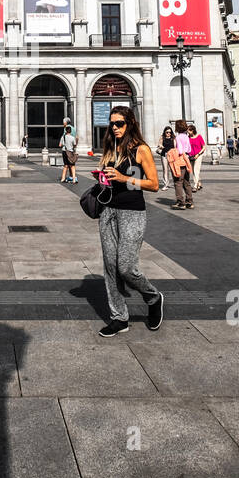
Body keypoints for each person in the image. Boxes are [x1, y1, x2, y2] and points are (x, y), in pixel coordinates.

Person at [91, 105, 164, 337]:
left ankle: (153, 297)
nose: (114, 128)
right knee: (110, 267)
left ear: (130, 123)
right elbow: (110, 180)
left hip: (132, 212)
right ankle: (119, 317)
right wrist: (102, 177)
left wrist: (125, 179)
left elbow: (153, 184)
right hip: (108, 212)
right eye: (111, 124)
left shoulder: (141, 149)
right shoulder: (110, 147)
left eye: (119, 123)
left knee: (126, 267)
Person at [166, 135, 194, 210]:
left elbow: (179, 151)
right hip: (185, 161)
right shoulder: (187, 137)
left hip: (179, 162)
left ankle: (181, 202)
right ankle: (189, 202)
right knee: (186, 182)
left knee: (178, 182)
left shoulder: (178, 138)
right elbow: (189, 149)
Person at [156, 127, 175, 191]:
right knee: (165, 169)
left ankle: (175, 183)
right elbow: (159, 144)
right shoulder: (162, 137)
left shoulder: (173, 138)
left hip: (171, 155)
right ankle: (166, 184)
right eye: (167, 132)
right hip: (164, 154)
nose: (168, 133)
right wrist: (160, 146)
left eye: (170, 132)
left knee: (173, 169)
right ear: (164, 132)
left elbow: (175, 146)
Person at [187, 123, 205, 190]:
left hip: (198, 155)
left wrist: (198, 154)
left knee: (196, 170)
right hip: (191, 156)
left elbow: (204, 147)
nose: (188, 132)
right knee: (194, 171)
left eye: (189, 130)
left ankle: (195, 185)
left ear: (192, 130)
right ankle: (199, 183)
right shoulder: (188, 137)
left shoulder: (199, 136)